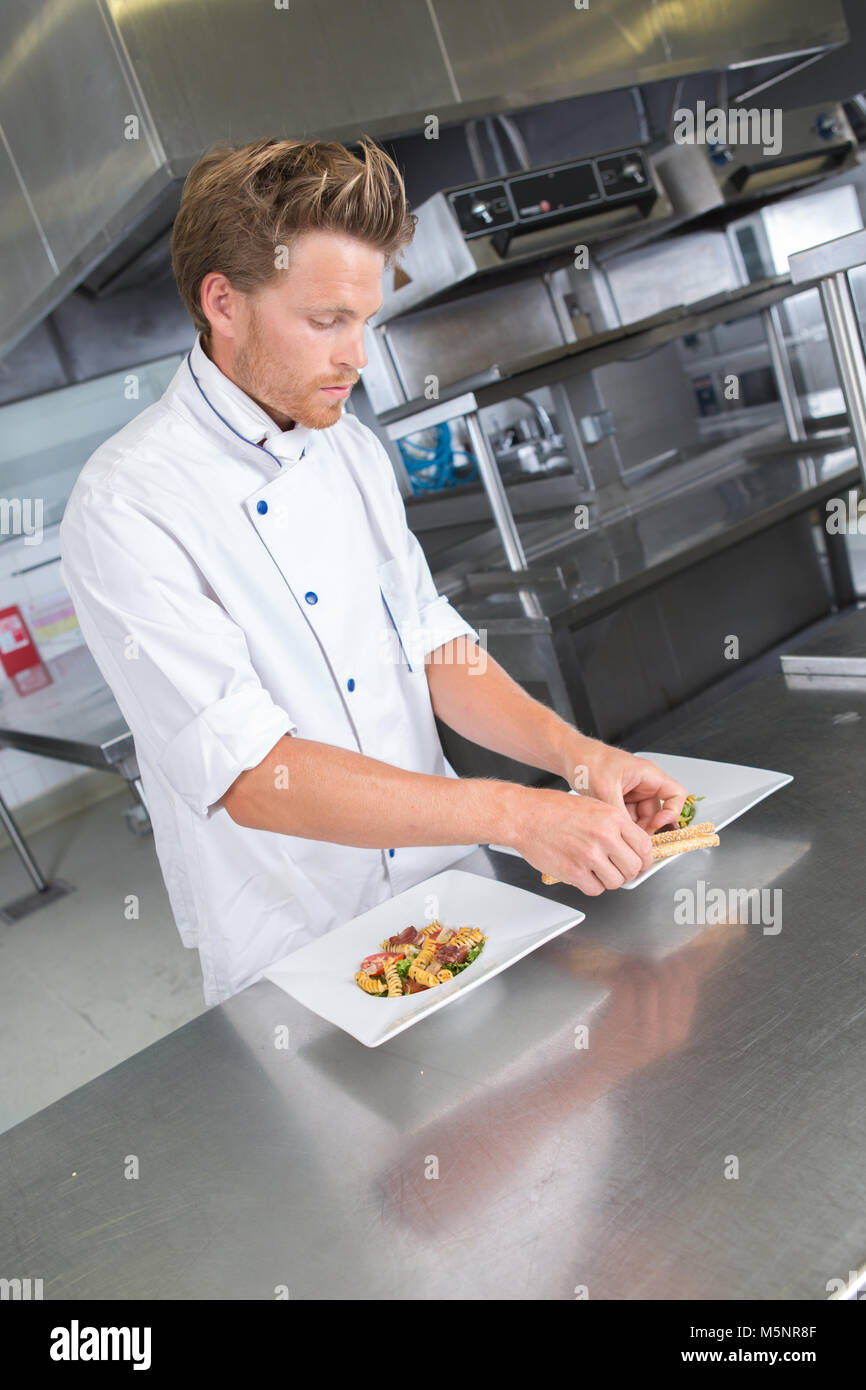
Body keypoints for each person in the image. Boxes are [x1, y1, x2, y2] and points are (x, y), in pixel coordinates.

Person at [59, 137, 687, 1006]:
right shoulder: (127, 506)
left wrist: (579, 759)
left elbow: (433, 645)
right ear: (224, 302)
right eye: (326, 322)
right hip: (301, 946)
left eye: (366, 320)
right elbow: (253, 774)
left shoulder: (349, 449)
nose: (357, 355)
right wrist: (516, 813)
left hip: (456, 901)